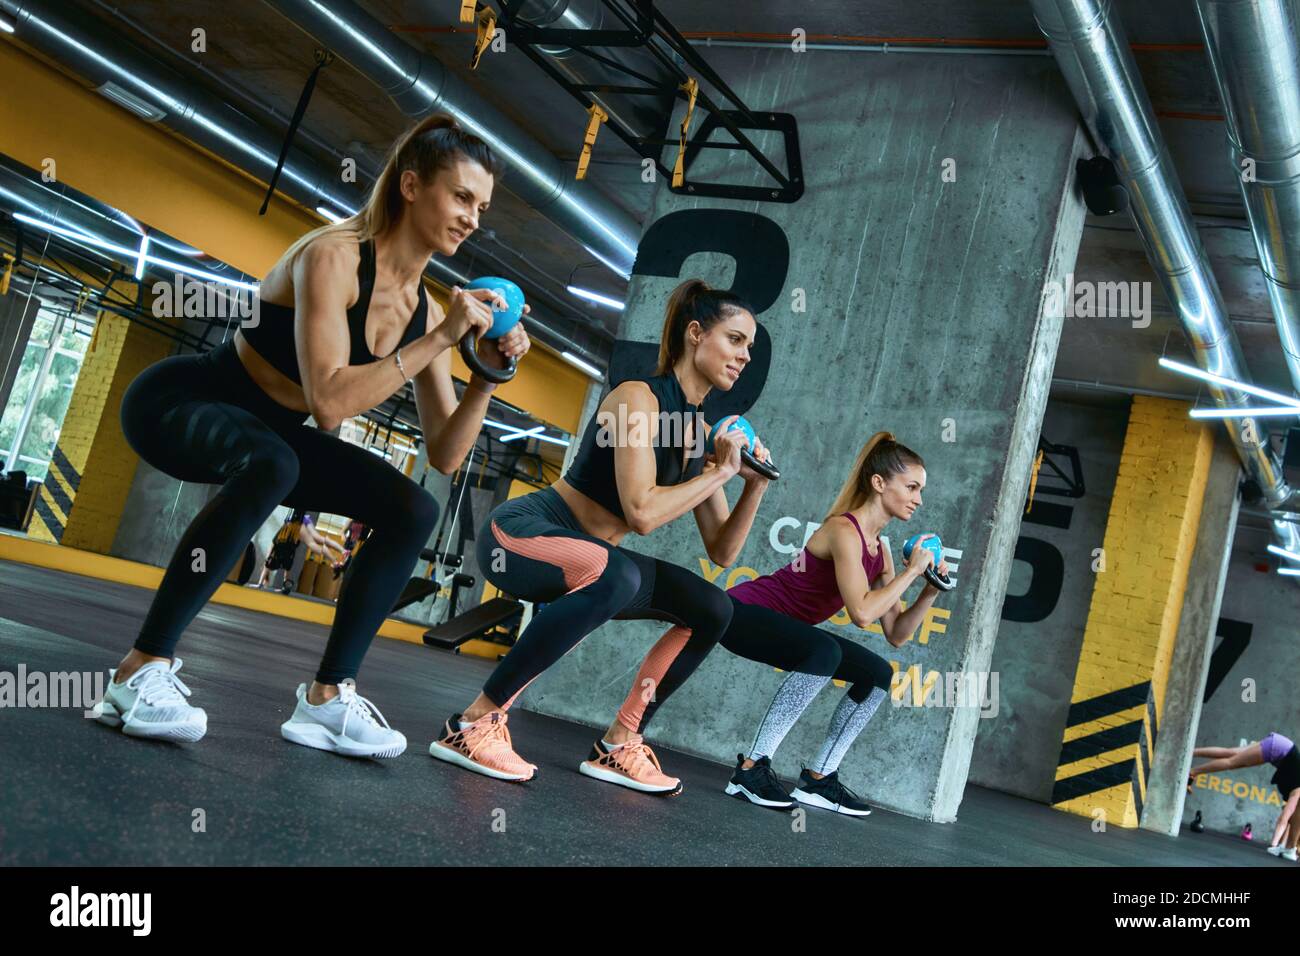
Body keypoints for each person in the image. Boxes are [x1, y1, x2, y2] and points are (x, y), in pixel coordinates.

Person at [93, 114, 528, 759]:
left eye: (481, 207)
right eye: (461, 197)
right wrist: (439, 341)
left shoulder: (427, 310)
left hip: (270, 438)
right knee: (274, 465)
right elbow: (329, 402)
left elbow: (445, 452)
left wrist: (489, 375)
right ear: (411, 185)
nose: (472, 218)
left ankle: (327, 700)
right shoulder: (335, 255)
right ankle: (136, 673)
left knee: (413, 507)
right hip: (183, 401)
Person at [430, 279, 773, 788]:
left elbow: (722, 551)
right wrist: (718, 473)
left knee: (712, 608)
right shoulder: (636, 399)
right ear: (696, 334)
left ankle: (619, 743)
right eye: (736, 339)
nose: (745, 355)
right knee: (617, 576)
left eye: (750, 345)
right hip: (522, 535)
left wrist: (753, 485)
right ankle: (473, 723)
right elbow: (640, 512)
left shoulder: (698, 431)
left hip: (598, 565)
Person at [610, 431, 947, 814]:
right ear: (879, 483)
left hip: (786, 631)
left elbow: (897, 633)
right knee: (825, 650)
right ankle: (751, 769)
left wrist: (929, 589)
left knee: (877, 673)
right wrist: (912, 571)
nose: (918, 500)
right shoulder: (843, 530)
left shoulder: (881, 550)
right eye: (913, 487)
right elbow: (863, 612)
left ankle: (819, 779)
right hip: (742, 614)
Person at [1190, 732, 1300, 860]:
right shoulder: (1297, 792)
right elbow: (1284, 819)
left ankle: (1191, 751)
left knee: (1230, 753)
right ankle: (1192, 772)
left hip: (1280, 745)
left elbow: (1292, 820)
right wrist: (1274, 844)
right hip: (1277, 747)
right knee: (1231, 762)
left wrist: (1287, 848)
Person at [254, 510, 345, 591]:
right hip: (300, 521)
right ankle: (339, 556)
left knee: (315, 543)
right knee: (317, 540)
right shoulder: (276, 557)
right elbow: (284, 566)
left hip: (296, 524)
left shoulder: (273, 559)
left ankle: (337, 559)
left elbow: (273, 557)